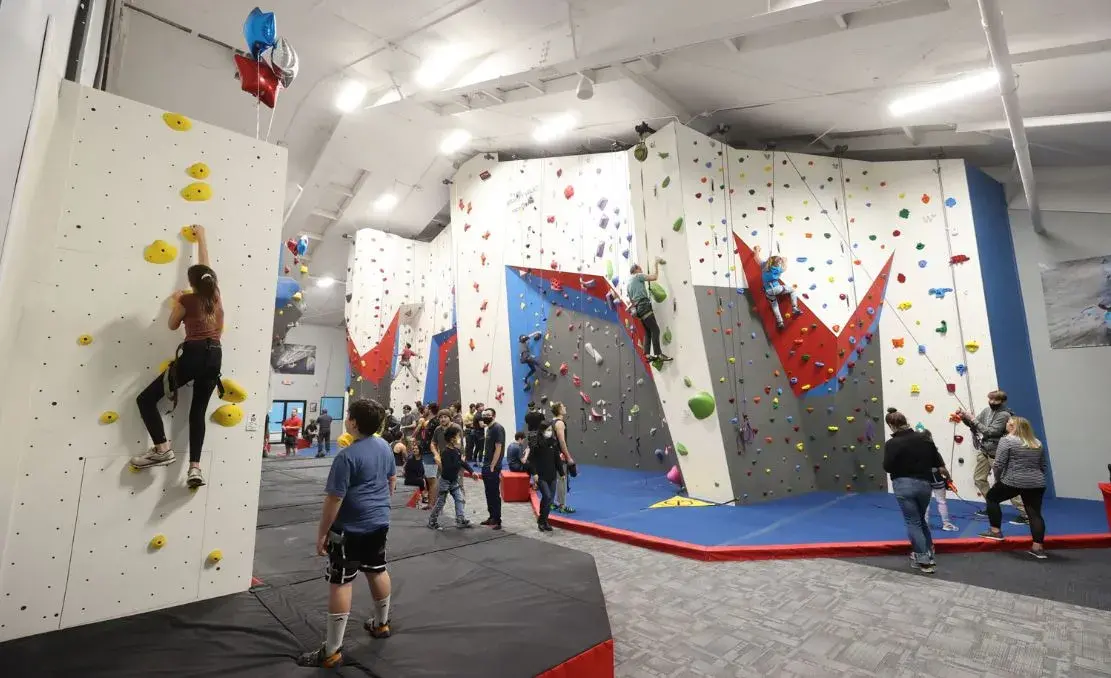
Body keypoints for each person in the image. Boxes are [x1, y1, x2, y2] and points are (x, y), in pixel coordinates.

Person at [297, 399, 395, 668]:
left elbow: (333, 500)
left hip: (350, 530)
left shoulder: (347, 456)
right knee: (377, 569)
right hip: (379, 523)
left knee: (341, 582)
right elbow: (391, 480)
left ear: (353, 422)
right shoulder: (385, 446)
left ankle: (331, 651)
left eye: (349, 415)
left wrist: (322, 534)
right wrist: (378, 506)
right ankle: (381, 624)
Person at [131, 224, 223, 488]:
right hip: (215, 358)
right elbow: (207, 266)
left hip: (193, 356)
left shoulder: (187, 301)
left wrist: (176, 301)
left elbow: (172, 325)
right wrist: (202, 237)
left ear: (192, 283)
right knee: (198, 412)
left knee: (145, 400)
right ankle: (195, 468)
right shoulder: (215, 296)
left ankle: (162, 449)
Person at [882, 409, 947, 574]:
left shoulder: (892, 443)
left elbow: (887, 466)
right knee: (920, 520)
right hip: (925, 484)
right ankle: (929, 554)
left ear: (891, 425)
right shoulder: (924, 438)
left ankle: (923, 560)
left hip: (904, 484)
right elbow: (937, 461)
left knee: (913, 522)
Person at [979, 416, 1049, 558]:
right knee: (1034, 514)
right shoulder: (1037, 442)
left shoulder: (1007, 440)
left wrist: (998, 480)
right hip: (1037, 483)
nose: (1006, 424)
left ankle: (995, 531)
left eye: (1008, 423)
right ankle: (1038, 548)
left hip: (1013, 480)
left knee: (992, 497)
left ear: (1013, 427)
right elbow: (1043, 466)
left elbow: (998, 464)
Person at [959, 390, 1027, 524]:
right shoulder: (986, 411)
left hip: (998, 453)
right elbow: (975, 424)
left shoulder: (1004, 415)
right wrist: (964, 417)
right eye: (990, 399)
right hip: (984, 450)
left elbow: (990, 432)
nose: (992, 402)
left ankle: (1026, 515)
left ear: (1002, 401)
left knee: (1006, 484)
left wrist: (972, 418)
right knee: (979, 479)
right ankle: (992, 505)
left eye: (995, 400)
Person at [427, 425, 476, 530]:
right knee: (440, 502)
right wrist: (459, 461)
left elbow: (462, 463)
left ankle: (460, 519)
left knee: (459, 499)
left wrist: (472, 472)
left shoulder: (456, 450)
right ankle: (432, 521)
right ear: (452, 438)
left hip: (453, 481)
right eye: (458, 436)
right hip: (445, 481)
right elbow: (449, 468)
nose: (459, 438)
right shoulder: (446, 453)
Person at [627, 258, 671, 362]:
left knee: (648, 332)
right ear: (636, 270)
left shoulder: (628, 285)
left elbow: (632, 302)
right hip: (644, 306)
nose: (641, 270)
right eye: (640, 269)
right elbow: (654, 277)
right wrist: (656, 263)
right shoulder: (638, 276)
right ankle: (658, 354)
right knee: (655, 329)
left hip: (638, 310)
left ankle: (646, 354)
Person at [752, 245, 801, 330]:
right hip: (777, 288)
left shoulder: (764, 266)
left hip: (768, 291)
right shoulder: (777, 269)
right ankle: (794, 308)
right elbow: (785, 268)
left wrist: (757, 250)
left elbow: (756, 257)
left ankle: (780, 322)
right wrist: (785, 261)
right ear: (777, 263)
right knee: (793, 290)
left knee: (774, 305)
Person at [526, 419, 561, 532]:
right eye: (547, 430)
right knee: (547, 496)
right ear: (542, 431)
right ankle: (541, 520)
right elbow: (531, 460)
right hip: (541, 475)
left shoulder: (554, 443)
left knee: (550, 501)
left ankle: (545, 520)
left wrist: (562, 473)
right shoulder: (536, 444)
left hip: (552, 475)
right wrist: (534, 473)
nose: (550, 432)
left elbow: (557, 459)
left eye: (551, 430)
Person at [478, 407, 505, 530]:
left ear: (493, 416)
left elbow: (498, 448)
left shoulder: (497, 428)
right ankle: (491, 517)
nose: (485, 416)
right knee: (488, 492)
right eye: (484, 414)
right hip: (486, 465)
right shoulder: (488, 428)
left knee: (494, 493)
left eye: (488, 414)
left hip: (492, 467)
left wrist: (493, 465)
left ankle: (497, 519)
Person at [550, 402, 577, 514]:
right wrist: (568, 457)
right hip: (559, 455)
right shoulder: (560, 423)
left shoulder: (552, 421)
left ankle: (551, 503)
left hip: (552, 454)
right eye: (563, 406)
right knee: (562, 479)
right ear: (559, 410)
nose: (565, 407)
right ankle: (562, 506)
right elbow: (562, 441)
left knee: (554, 479)